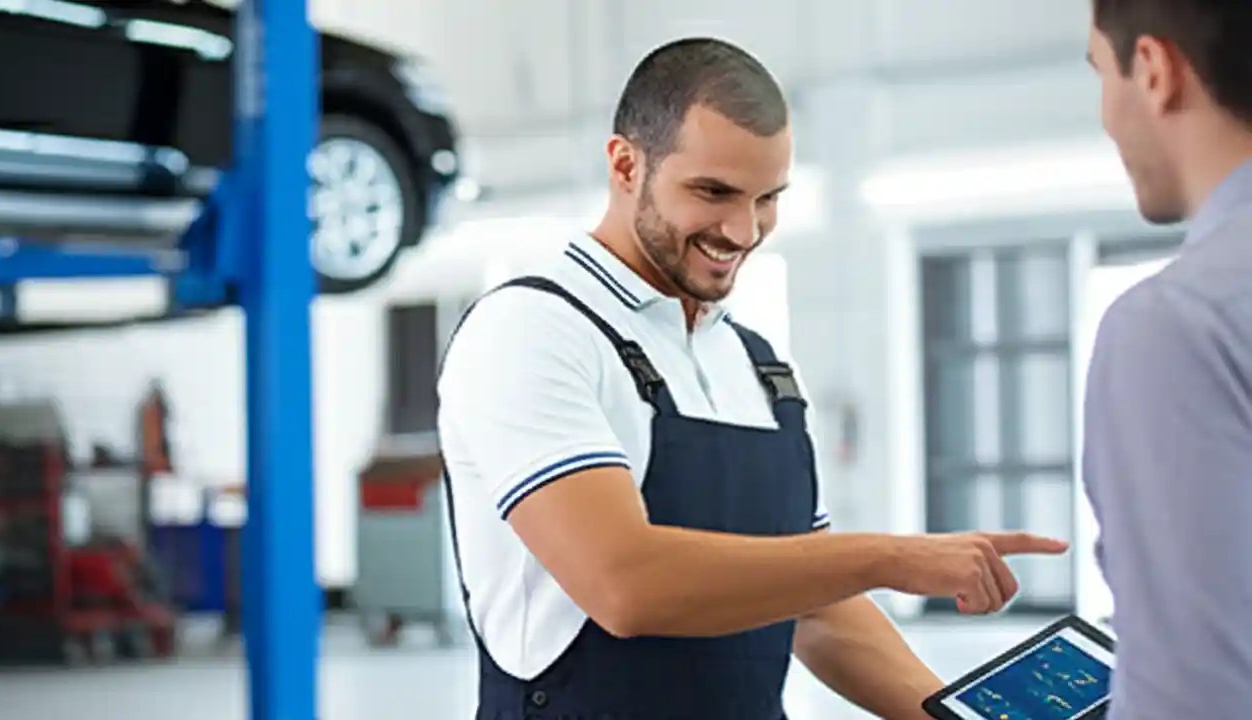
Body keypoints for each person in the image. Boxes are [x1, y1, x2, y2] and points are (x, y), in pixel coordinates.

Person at [437, 37, 1067, 719]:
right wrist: (890, 558)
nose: (743, 229)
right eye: (714, 192)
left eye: (768, 198)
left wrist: (956, 718)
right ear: (625, 165)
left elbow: (817, 610)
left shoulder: (758, 366)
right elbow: (626, 584)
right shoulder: (533, 330)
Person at [1082, 2, 1252, 718]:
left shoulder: (1175, 326)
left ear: (1153, 70)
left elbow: (1195, 698)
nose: (1104, 115)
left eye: (1100, 73)